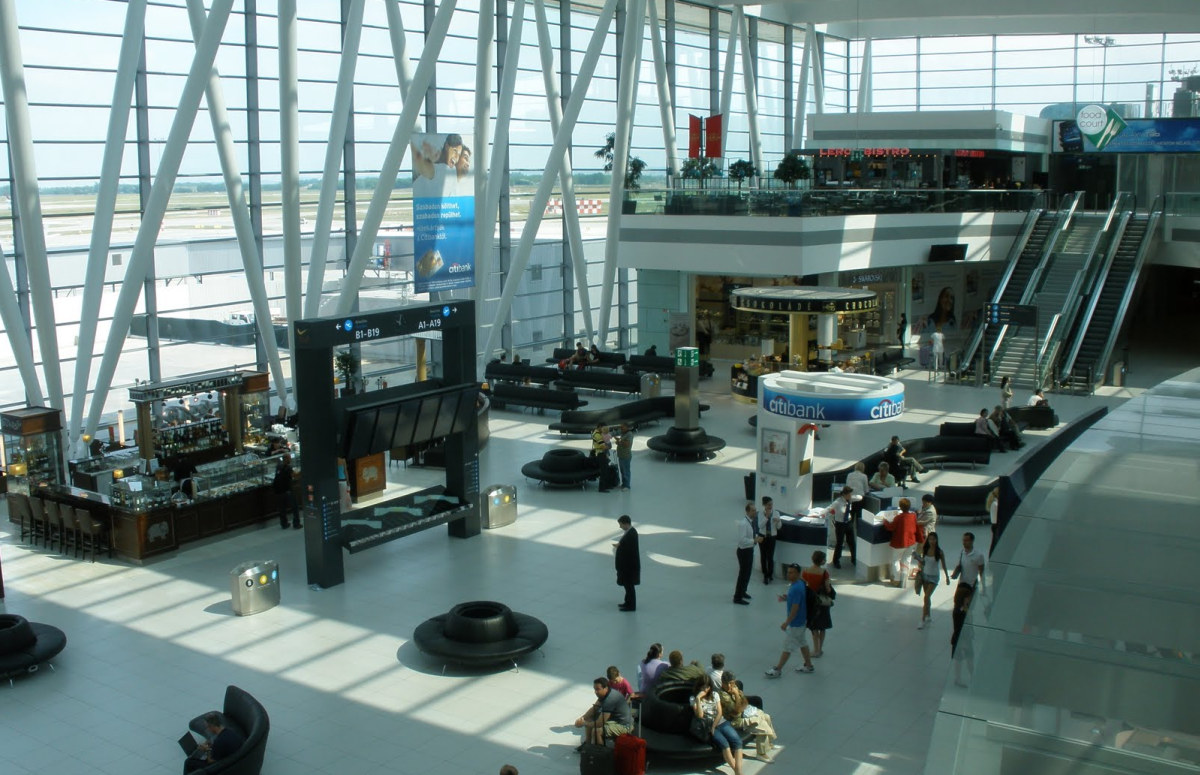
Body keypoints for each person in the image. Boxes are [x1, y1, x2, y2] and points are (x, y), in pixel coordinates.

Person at [765, 563, 814, 676]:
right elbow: (797, 601)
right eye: (788, 572)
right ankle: (809, 665)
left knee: (787, 647)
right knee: (802, 642)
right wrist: (786, 598)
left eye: (791, 572)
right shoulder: (800, 583)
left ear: (797, 573)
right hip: (801, 620)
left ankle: (778, 669)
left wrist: (787, 622)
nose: (788, 574)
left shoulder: (796, 588)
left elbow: (795, 608)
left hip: (796, 623)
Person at [690, 678, 743, 775]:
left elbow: (719, 712)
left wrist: (714, 725)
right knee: (725, 745)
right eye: (703, 687)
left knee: (737, 742)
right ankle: (738, 773)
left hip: (720, 722)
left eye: (708, 687)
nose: (706, 689)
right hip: (708, 725)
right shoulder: (693, 699)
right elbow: (700, 716)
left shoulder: (715, 695)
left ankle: (738, 772)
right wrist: (698, 699)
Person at [720, 671, 776, 761]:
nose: (732, 686)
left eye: (733, 683)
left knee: (766, 717)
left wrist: (739, 698)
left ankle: (768, 743)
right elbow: (736, 711)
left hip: (743, 713)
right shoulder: (723, 695)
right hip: (734, 721)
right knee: (763, 727)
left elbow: (745, 703)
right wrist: (737, 695)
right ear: (723, 683)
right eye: (729, 683)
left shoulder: (735, 687)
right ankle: (761, 753)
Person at [950, 532, 987, 656]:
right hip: (961, 585)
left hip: (971, 587)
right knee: (957, 609)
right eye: (963, 540)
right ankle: (958, 631)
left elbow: (982, 572)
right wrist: (956, 572)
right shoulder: (962, 552)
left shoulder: (979, 555)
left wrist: (984, 587)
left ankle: (967, 631)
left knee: (967, 610)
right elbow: (960, 566)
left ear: (972, 541)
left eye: (966, 540)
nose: (964, 543)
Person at [574, 676, 633, 749]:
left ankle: (601, 752)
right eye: (594, 689)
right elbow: (594, 708)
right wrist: (582, 719)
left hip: (624, 725)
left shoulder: (610, 699)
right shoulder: (605, 694)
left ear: (606, 688)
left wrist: (584, 723)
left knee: (597, 730)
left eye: (598, 689)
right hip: (613, 720)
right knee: (589, 719)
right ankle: (587, 745)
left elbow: (599, 723)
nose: (595, 692)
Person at [802, 550, 833, 658]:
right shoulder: (824, 573)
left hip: (811, 601)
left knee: (813, 626)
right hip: (822, 602)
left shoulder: (806, 571)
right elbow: (828, 589)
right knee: (822, 626)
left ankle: (815, 649)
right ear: (822, 560)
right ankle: (820, 649)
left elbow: (803, 585)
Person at [916, 532, 951, 630]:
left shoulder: (939, 552)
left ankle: (922, 619)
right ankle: (928, 615)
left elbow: (943, 565)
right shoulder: (926, 549)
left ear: (936, 540)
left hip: (934, 577)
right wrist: (918, 558)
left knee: (926, 597)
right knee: (927, 598)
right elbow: (923, 562)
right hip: (925, 576)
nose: (932, 541)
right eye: (930, 539)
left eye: (933, 539)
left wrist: (947, 577)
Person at [884, 497, 919, 585]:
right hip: (911, 542)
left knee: (895, 560)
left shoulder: (898, 517)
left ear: (900, 507)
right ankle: (904, 577)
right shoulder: (913, 516)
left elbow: (890, 527)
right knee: (907, 559)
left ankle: (896, 579)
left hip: (899, 542)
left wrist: (885, 521)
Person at [734, 502, 763, 605]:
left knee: (747, 573)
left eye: (755, 510)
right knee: (743, 574)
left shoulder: (751, 522)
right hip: (744, 551)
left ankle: (743, 591)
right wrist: (754, 540)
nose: (755, 512)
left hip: (749, 550)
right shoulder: (743, 524)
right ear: (748, 511)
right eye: (753, 510)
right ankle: (737, 597)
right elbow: (742, 540)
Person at [826, 485, 856, 569]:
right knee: (839, 543)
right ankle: (836, 561)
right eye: (849, 494)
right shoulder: (838, 502)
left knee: (852, 542)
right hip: (840, 524)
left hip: (848, 522)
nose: (850, 496)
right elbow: (829, 508)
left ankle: (854, 559)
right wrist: (821, 513)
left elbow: (859, 497)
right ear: (844, 494)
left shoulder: (849, 500)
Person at [614, 515, 640, 611]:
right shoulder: (629, 532)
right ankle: (627, 602)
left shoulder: (631, 534)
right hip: (627, 567)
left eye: (620, 524)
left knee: (629, 586)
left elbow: (629, 551)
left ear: (625, 523)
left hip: (628, 567)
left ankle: (631, 606)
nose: (620, 526)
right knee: (627, 586)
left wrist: (620, 547)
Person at [758, 496, 782, 584]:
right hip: (763, 536)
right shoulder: (761, 513)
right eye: (768, 505)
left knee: (770, 556)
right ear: (764, 505)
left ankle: (770, 574)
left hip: (772, 537)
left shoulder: (776, 513)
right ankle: (765, 574)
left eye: (771, 504)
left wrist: (778, 521)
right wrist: (766, 517)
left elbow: (779, 527)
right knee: (763, 556)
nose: (770, 506)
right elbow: (760, 526)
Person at [273, 454, 300, 530]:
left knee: (282, 509)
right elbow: (295, 476)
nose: (290, 459)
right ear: (287, 459)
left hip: (278, 491)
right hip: (287, 490)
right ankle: (296, 524)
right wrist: (302, 471)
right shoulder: (288, 468)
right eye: (289, 458)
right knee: (295, 507)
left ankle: (284, 524)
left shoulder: (279, 466)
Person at [615, 424, 633, 491]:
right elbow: (621, 443)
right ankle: (624, 484)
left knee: (626, 471)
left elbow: (627, 444)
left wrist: (619, 441)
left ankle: (627, 486)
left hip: (626, 456)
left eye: (622, 427)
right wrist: (618, 442)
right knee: (622, 471)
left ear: (627, 427)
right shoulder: (623, 434)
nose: (621, 428)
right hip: (621, 455)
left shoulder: (629, 434)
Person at [987, 486, 1001, 554]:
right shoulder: (995, 504)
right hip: (996, 525)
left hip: (995, 525)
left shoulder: (995, 503)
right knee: (995, 542)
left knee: (994, 542)